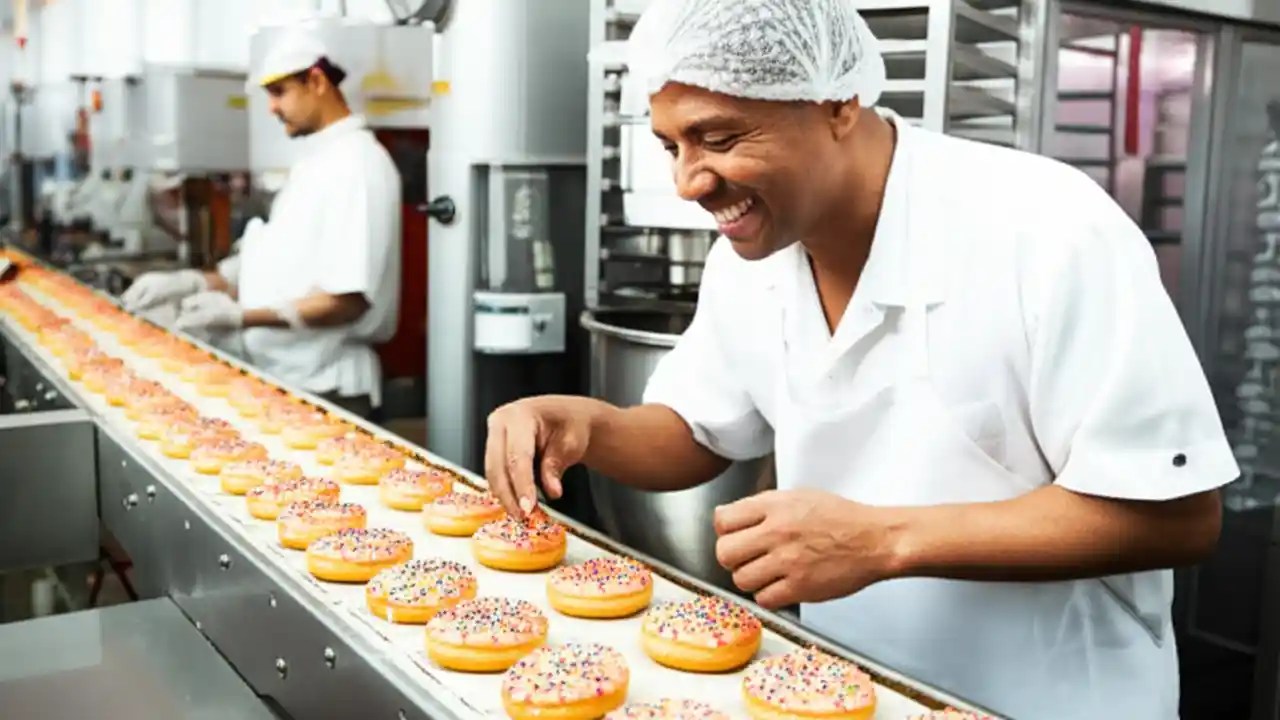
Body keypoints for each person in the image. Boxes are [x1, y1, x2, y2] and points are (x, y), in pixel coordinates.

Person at [484, 1, 1238, 717]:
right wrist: (585, 424)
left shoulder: (1046, 232)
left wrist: (883, 541)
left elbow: (1178, 517)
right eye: (670, 145)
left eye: (718, 138)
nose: (688, 181)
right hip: (845, 692)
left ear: (838, 103)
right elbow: (696, 430)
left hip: (1050, 698)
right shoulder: (755, 254)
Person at [121, 29, 402, 419]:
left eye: (279, 91)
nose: (270, 107)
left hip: (327, 388)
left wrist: (238, 317)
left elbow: (345, 300)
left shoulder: (358, 166)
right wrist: (192, 282)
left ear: (316, 81)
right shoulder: (315, 164)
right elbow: (280, 263)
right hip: (287, 380)